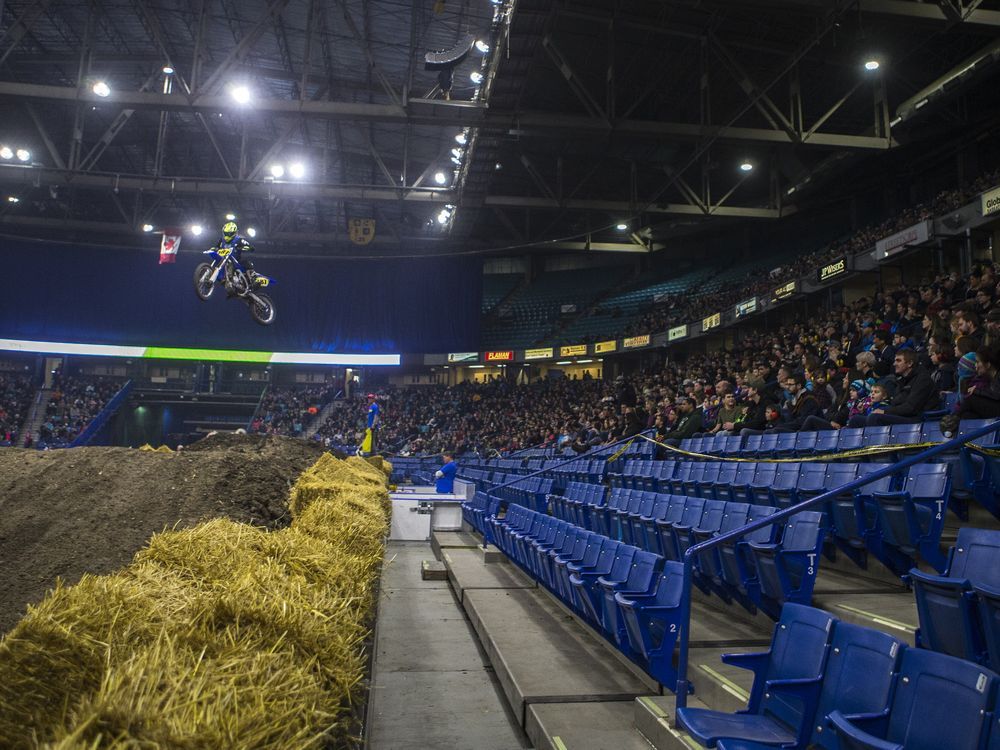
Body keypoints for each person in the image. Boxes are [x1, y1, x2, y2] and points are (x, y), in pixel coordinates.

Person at [847, 350, 939, 427]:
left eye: (898, 361)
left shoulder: (923, 379)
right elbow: (894, 403)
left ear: (910, 363)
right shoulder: (902, 380)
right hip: (901, 415)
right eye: (895, 360)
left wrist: (885, 411)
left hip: (916, 419)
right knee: (855, 419)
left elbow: (911, 408)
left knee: (875, 417)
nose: (894, 364)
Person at [214, 221, 258, 297]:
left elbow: (250, 246)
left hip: (236, 261)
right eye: (226, 233)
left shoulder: (239, 240)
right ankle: (230, 287)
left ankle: (253, 279)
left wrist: (246, 248)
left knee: (247, 263)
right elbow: (217, 247)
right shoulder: (222, 240)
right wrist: (215, 249)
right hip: (225, 260)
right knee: (219, 274)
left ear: (234, 233)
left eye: (229, 234)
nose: (227, 235)